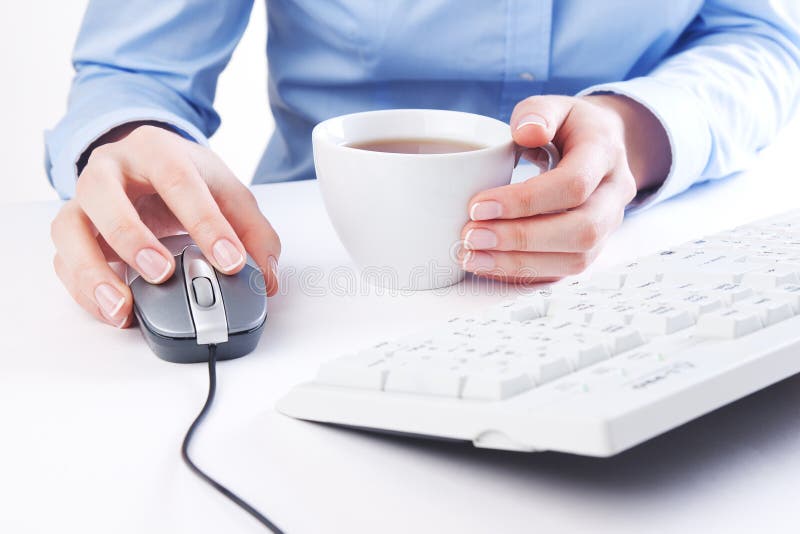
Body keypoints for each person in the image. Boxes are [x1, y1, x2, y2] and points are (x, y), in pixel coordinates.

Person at [47, 1, 800, 328]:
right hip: (324, 282)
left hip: (626, 265)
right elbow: (133, 71)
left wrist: (632, 132)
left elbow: (758, 38)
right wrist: (133, 137)